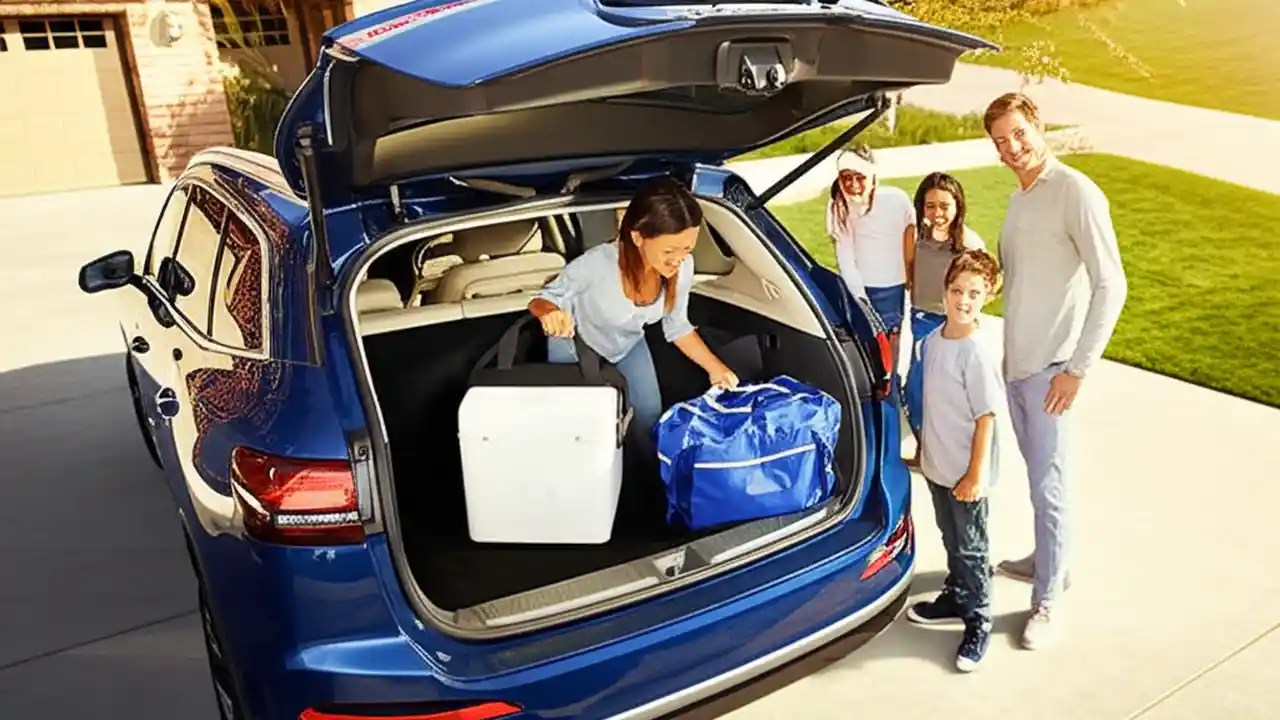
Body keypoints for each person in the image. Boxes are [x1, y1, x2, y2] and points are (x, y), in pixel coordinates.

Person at [984, 92, 1128, 649]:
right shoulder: (1022, 200)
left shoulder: (1074, 191)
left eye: (1018, 133)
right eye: (1000, 141)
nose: (1012, 148)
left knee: (1051, 487)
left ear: (1038, 125)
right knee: (1038, 481)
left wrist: (1077, 369)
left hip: (1052, 370)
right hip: (1018, 367)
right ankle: (1050, 560)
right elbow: (1025, 281)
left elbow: (1111, 284)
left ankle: (1049, 600)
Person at [529, 177, 741, 455]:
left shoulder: (683, 267)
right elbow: (542, 299)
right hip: (573, 342)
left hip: (627, 343)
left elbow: (677, 327)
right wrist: (550, 313)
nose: (678, 259)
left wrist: (716, 368)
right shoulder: (597, 264)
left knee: (650, 416)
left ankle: (646, 480)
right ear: (638, 236)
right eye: (669, 250)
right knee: (578, 425)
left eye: (687, 248)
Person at [905, 249, 1005, 673]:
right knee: (951, 536)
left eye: (974, 294)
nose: (963, 300)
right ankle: (957, 593)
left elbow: (986, 417)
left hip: (967, 471)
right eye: (956, 290)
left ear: (987, 298)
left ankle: (979, 616)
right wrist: (926, 450)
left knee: (972, 544)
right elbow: (930, 403)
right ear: (944, 291)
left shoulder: (976, 351)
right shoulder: (930, 343)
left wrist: (975, 474)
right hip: (939, 464)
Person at [902, 172, 987, 469]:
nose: (938, 213)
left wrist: (966, 320)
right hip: (921, 321)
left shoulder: (968, 243)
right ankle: (926, 448)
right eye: (930, 206)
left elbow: (987, 282)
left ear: (957, 207)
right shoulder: (916, 237)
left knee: (947, 393)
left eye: (944, 206)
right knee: (914, 391)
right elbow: (910, 271)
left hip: (950, 325)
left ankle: (951, 455)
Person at [826, 144, 916, 376]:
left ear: (873, 177)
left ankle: (892, 407)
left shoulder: (897, 200)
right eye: (846, 178)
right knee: (868, 361)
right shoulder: (838, 207)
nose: (853, 185)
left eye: (860, 178)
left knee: (889, 364)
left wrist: (911, 281)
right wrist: (861, 300)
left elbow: (914, 237)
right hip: (860, 292)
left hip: (892, 291)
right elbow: (845, 257)